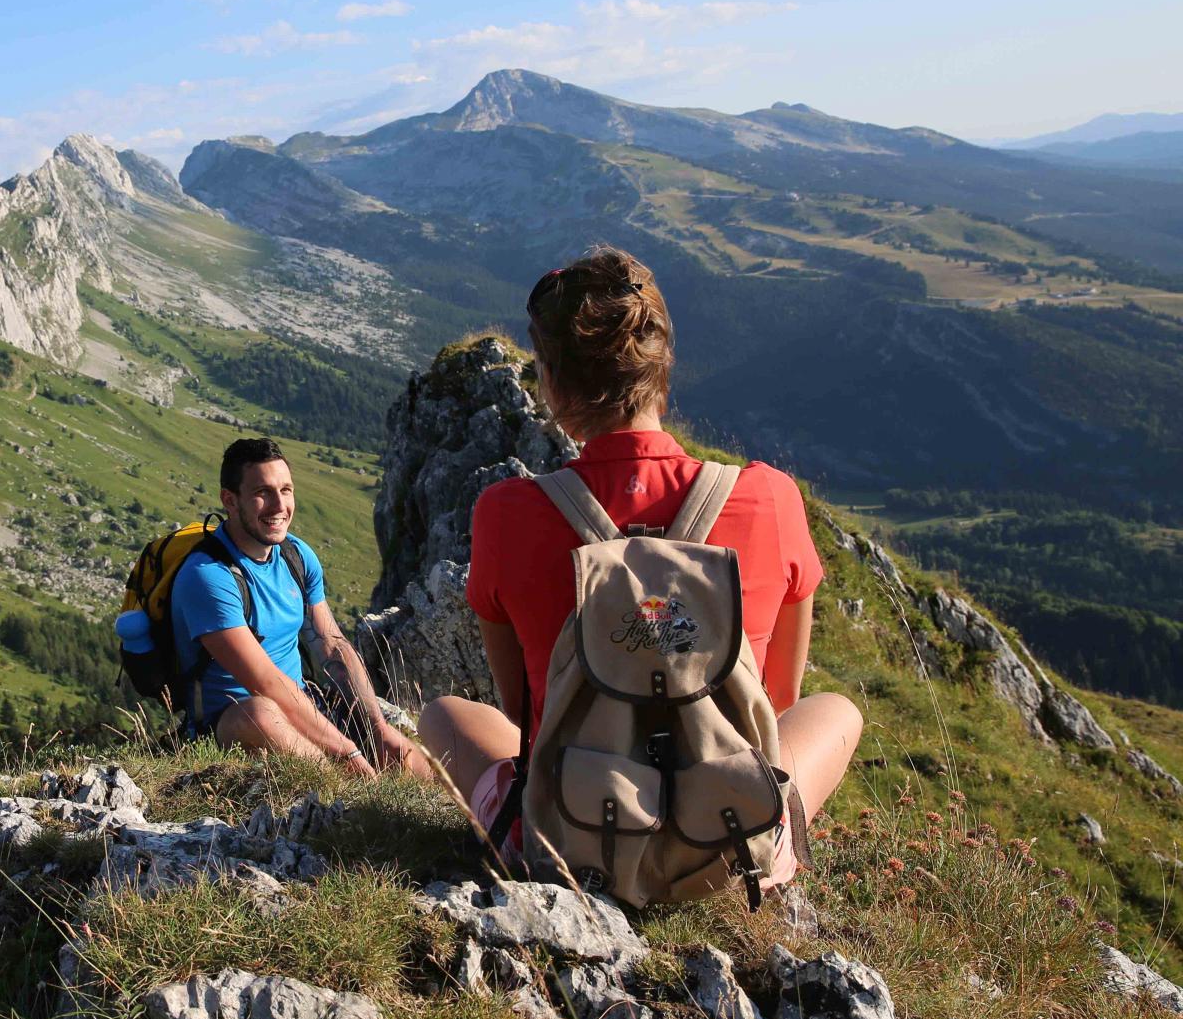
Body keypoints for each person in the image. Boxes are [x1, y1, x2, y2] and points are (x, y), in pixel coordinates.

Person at [417, 247, 861, 886]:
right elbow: (779, 701)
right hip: (728, 842)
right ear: (663, 365)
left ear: (550, 380)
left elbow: (522, 712)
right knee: (835, 710)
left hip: (569, 839)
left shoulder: (506, 512)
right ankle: (771, 855)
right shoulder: (769, 497)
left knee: (442, 716)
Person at [173, 437, 431, 780]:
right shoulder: (208, 577)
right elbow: (265, 681)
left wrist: (377, 729)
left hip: (303, 703)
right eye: (262, 492)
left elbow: (331, 644)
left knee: (405, 757)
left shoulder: (295, 556)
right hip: (235, 719)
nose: (279, 505)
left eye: (286, 489)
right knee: (260, 713)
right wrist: (345, 749)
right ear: (229, 501)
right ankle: (338, 785)